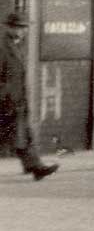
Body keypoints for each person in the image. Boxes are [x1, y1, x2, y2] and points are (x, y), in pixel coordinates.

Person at [1, 10, 59, 180]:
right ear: (9, 28)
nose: (22, 30)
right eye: (19, 27)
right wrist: (5, 95)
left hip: (17, 100)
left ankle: (35, 167)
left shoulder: (19, 45)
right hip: (5, 100)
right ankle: (35, 166)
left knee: (24, 134)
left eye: (24, 27)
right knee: (17, 134)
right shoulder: (2, 46)